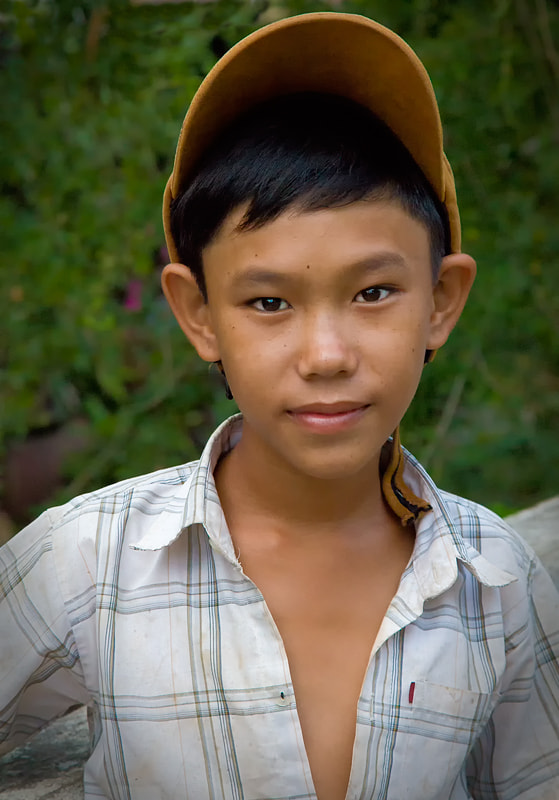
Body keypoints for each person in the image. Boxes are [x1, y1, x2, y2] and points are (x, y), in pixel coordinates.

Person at [1, 12, 558, 800]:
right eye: (267, 301)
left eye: (372, 292)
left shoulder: (494, 577)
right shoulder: (85, 562)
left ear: (440, 300)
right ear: (198, 314)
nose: (325, 354)